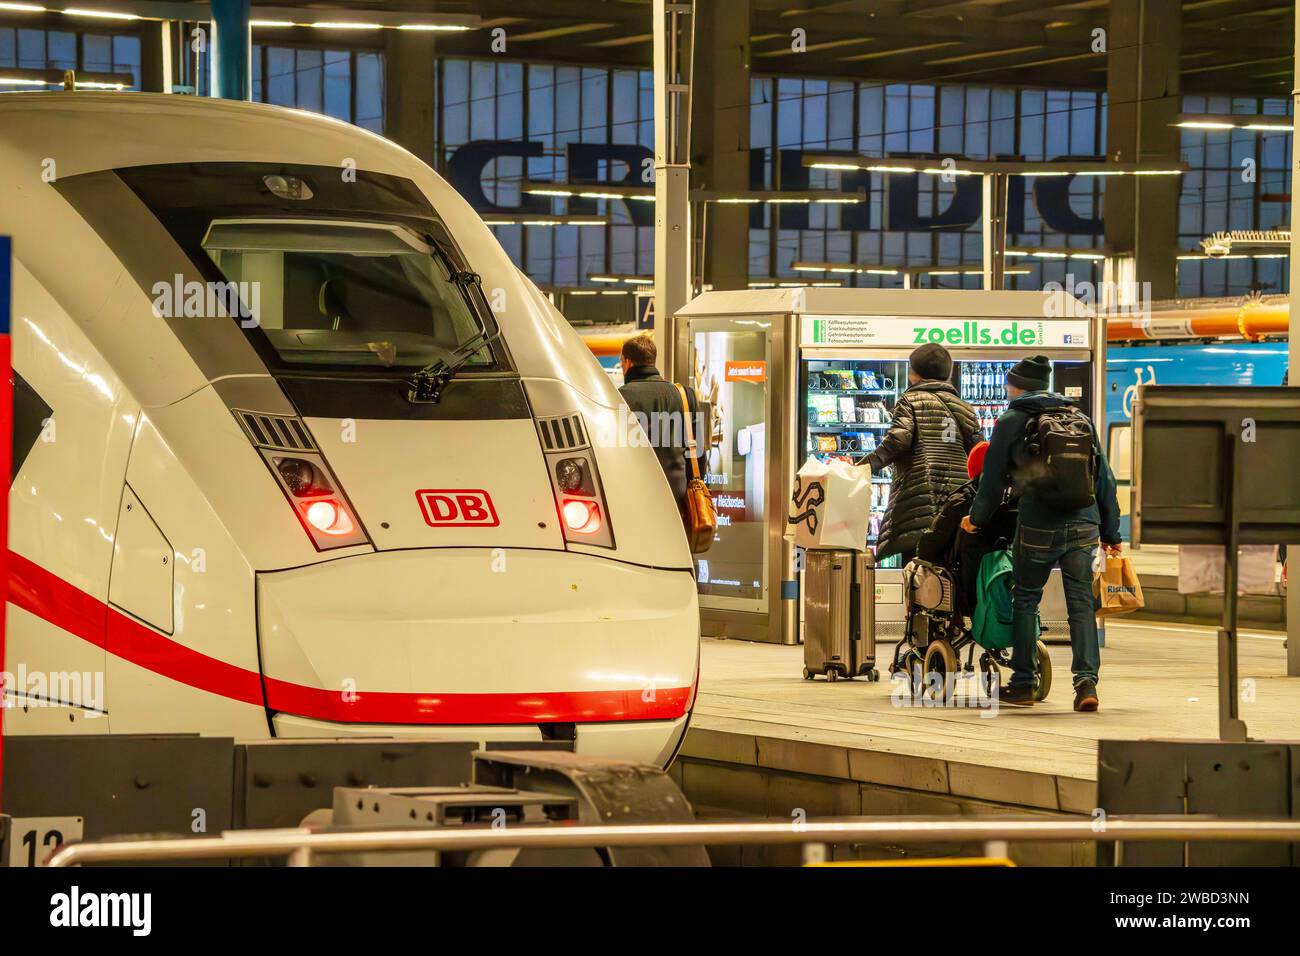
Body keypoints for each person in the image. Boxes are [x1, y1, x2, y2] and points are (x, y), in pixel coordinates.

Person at [961, 355, 1122, 712]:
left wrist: (977, 519)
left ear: (1016, 385)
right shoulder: (1079, 418)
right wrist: (1111, 530)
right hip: (1083, 524)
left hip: (1037, 525)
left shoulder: (1011, 420)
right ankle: (1086, 685)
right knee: (1081, 606)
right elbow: (1104, 478)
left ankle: (1022, 683)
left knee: (1025, 600)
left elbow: (991, 478)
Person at [865, 343, 982, 564]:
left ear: (913, 373)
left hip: (917, 499)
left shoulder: (909, 400)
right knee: (947, 573)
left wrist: (861, 467)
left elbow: (897, 442)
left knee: (918, 572)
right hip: (957, 501)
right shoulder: (965, 407)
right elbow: (978, 453)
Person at [618, 333, 701, 520]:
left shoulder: (618, 397)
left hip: (635, 496)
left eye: (622, 362)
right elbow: (698, 450)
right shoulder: (684, 395)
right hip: (679, 497)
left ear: (629, 363)